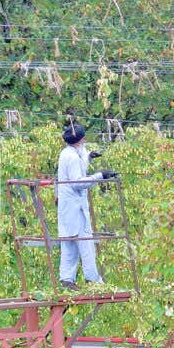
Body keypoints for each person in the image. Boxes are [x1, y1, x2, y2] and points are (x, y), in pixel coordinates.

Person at [57, 119, 117, 288]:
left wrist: (88, 157)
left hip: (68, 207)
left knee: (69, 242)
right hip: (76, 207)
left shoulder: (67, 153)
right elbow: (78, 182)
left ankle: (67, 279)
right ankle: (93, 280)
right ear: (80, 140)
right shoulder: (73, 157)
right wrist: (100, 176)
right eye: (83, 139)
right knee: (85, 242)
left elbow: (77, 168)